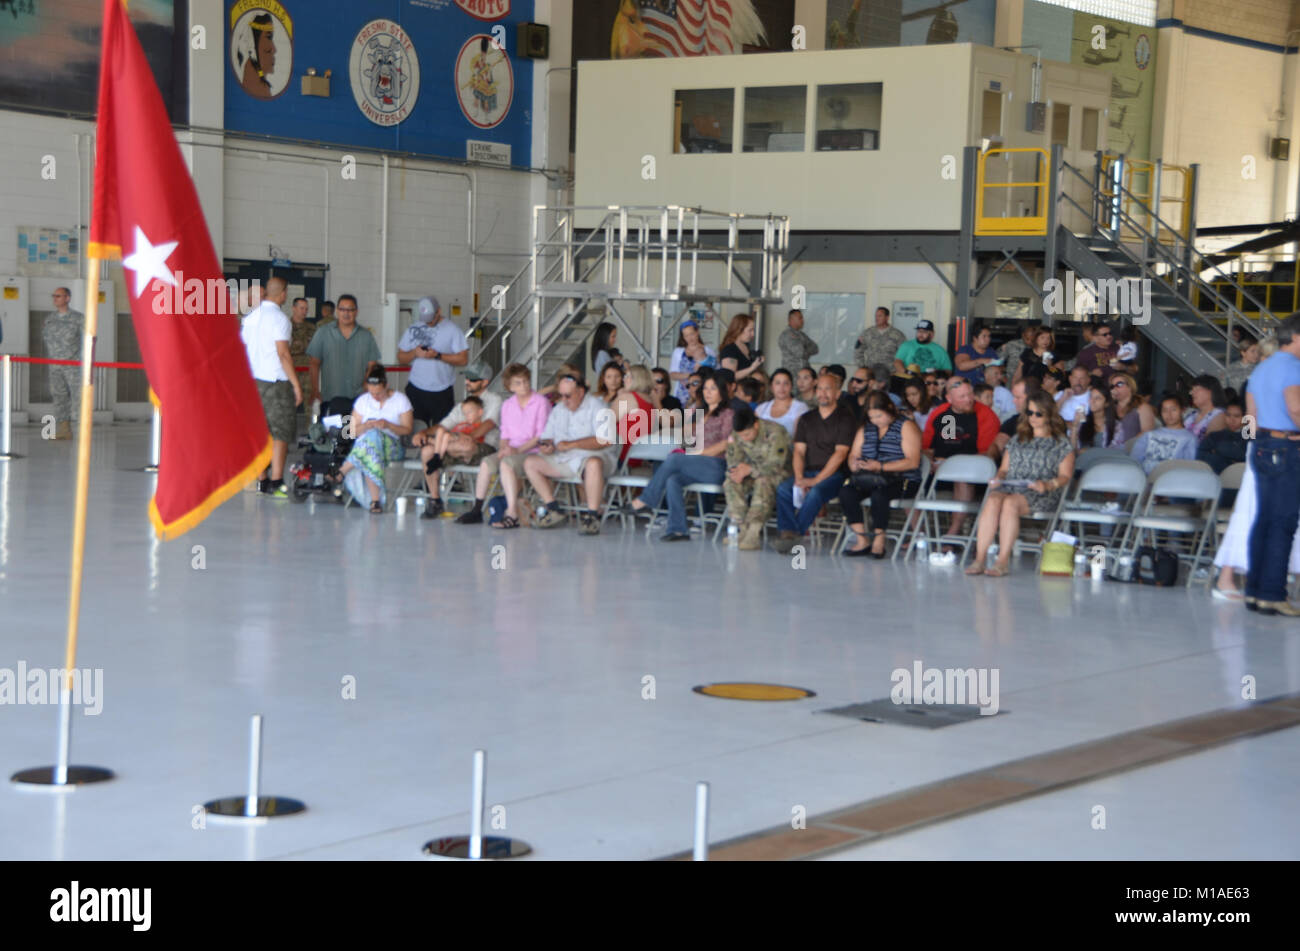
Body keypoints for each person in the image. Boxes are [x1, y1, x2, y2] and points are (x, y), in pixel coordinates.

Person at [966, 391, 1075, 576]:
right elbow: (1004, 469)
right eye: (1030, 413)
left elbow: (1065, 476)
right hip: (1012, 485)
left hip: (1041, 490)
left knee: (1010, 504)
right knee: (993, 500)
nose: (1033, 417)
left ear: (1049, 415)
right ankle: (980, 558)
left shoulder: (1061, 444)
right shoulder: (1018, 439)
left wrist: (1047, 485)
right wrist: (998, 478)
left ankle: (1002, 560)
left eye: (1038, 414)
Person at [625, 376, 734, 541]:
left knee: (675, 459)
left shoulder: (728, 414)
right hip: (699, 465)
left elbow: (726, 444)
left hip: (717, 466)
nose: (708, 392)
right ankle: (678, 529)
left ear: (722, 392)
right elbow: (688, 434)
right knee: (673, 480)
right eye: (706, 388)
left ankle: (646, 500)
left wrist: (696, 453)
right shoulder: (703, 414)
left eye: (713, 388)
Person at [1242, 314, 1300, 614]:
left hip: (1261, 445)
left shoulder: (1261, 368)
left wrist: (1253, 445)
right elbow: (1296, 408)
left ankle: (1254, 590)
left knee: (1264, 519)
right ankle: (1273, 594)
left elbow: (1249, 415)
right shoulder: (1294, 368)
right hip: (1288, 445)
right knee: (1283, 520)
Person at [522, 375, 618, 535]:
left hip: (597, 457)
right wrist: (547, 445)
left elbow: (605, 440)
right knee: (530, 462)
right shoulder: (559, 409)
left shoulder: (599, 407)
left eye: (568, 395)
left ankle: (592, 516)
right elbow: (547, 436)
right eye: (561, 395)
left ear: (580, 392)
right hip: (565, 458)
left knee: (593, 463)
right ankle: (553, 508)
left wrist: (572, 444)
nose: (564, 400)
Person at [772, 373, 857, 553]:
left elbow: (840, 454)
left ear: (837, 393)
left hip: (834, 475)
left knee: (815, 493)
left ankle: (794, 535)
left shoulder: (845, 418)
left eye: (828, 389)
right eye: (819, 389)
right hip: (807, 472)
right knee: (784, 489)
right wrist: (800, 477)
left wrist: (815, 480)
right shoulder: (807, 418)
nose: (823, 393)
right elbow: (799, 451)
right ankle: (787, 533)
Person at [457, 363, 551, 526]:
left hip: (532, 451)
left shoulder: (541, 402)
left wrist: (515, 450)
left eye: (526, 381)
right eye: (519, 383)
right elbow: (505, 433)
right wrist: (502, 449)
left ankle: (512, 512)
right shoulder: (508, 405)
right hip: (512, 449)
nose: (525, 386)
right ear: (510, 386)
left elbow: (540, 436)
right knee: (487, 462)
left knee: (507, 463)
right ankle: (477, 509)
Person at [413, 361, 502, 518]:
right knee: (426, 450)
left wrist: (465, 438)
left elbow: (488, 425)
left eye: (472, 379)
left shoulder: (495, 400)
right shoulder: (463, 405)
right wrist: (424, 433)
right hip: (456, 447)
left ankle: (438, 452)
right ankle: (435, 501)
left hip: (483, 447)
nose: (467, 381)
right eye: (467, 378)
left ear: (485, 382)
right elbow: (443, 426)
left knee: (465, 445)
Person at [840, 392, 923, 558]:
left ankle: (879, 540)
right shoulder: (866, 428)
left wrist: (882, 466)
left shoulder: (906, 426)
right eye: (872, 417)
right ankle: (862, 539)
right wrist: (854, 464)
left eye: (879, 415)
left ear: (890, 409)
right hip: (871, 477)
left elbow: (913, 461)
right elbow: (853, 454)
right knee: (846, 492)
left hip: (902, 479)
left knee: (880, 495)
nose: (876, 420)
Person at [240, 276, 302, 496]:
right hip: (275, 382)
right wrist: (296, 385)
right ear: (283, 293)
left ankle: (262, 478)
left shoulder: (250, 318)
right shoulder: (280, 319)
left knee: (259, 432)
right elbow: (283, 354)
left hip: (251, 382)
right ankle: (276, 481)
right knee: (280, 433)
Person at [923, 377, 1000, 538]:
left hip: (974, 475)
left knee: (962, 477)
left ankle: (953, 534)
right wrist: (930, 461)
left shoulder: (985, 415)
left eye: (970, 394)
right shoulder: (941, 413)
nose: (969, 400)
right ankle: (919, 535)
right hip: (938, 472)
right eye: (962, 397)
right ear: (949, 399)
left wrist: (952, 466)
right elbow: (926, 448)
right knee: (911, 479)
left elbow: (987, 455)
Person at [334, 366, 414, 512]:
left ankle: (344, 470)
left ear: (386, 386)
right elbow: (351, 431)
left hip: (393, 446)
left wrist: (388, 425)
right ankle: (375, 502)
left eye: (378, 393)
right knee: (372, 443)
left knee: (373, 438)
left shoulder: (400, 400)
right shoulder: (363, 401)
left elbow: (407, 429)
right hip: (368, 447)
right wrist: (365, 426)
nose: (375, 396)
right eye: (371, 393)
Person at [724, 405, 792, 550]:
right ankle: (742, 528)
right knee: (731, 482)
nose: (744, 439)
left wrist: (750, 469)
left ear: (756, 425)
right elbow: (732, 459)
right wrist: (736, 471)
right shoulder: (738, 432)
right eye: (741, 435)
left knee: (763, 481)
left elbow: (776, 465)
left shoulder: (775, 432)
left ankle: (754, 532)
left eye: (747, 435)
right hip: (751, 471)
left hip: (780, 473)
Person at [397, 295, 469, 428]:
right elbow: (401, 357)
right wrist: (414, 353)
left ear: (439, 311)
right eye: (426, 320)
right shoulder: (413, 329)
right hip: (416, 389)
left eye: (431, 319)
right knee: (416, 433)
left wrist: (438, 356)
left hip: (442, 391)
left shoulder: (453, 330)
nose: (428, 323)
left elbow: (463, 359)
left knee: (441, 433)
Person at [306, 294, 381, 408]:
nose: (346, 313)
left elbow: (372, 365)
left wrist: (367, 386)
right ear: (337, 311)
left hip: (359, 399)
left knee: (354, 426)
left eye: (350, 310)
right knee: (333, 426)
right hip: (331, 398)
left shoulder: (366, 335)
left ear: (356, 311)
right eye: (342, 309)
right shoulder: (323, 332)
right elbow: (314, 363)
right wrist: (315, 390)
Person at [43, 287, 83, 440]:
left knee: (78, 397)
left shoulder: (78, 318)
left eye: (58, 296)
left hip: (73, 365)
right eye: (54, 296)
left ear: (67, 298)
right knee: (59, 396)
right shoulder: (50, 318)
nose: (55, 299)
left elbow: (88, 340)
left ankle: (81, 429)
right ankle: (64, 429)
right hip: (54, 365)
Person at [1129, 393, 1198, 474]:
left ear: (1182, 410)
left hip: (1170, 482)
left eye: (1173, 409)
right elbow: (1134, 461)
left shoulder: (1190, 438)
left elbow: (1188, 468)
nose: (1169, 414)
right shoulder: (1149, 435)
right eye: (1164, 410)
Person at [988, 378, 1041, 462]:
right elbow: (998, 444)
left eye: (1018, 397)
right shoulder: (1013, 421)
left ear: (1032, 398)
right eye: (1014, 397)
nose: (1013, 401)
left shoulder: (1052, 422)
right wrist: (991, 456)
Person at [891, 319, 951, 388]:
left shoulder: (940, 350)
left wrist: (937, 374)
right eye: (919, 331)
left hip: (931, 385)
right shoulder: (906, 345)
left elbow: (948, 371)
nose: (920, 334)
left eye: (924, 332)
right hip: (909, 381)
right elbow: (897, 362)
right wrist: (908, 373)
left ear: (932, 334)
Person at [669, 320, 717, 404]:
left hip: (701, 393)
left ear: (697, 332)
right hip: (681, 394)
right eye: (686, 336)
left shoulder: (708, 351)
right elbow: (672, 374)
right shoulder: (678, 352)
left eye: (692, 334)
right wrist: (690, 375)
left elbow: (715, 373)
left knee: (697, 415)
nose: (690, 338)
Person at [1197, 400, 1247, 474]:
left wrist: (1217, 454)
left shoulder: (1252, 438)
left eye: (1236, 416)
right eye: (1228, 415)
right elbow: (1200, 456)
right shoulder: (1214, 436)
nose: (1231, 420)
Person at [755, 368, 809, 437]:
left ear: (791, 386)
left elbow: (800, 439)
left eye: (786, 383)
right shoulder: (761, 409)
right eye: (777, 383)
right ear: (771, 387)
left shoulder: (800, 408)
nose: (781, 387)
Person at [853, 306, 905, 373]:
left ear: (887, 317)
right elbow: (858, 351)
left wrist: (898, 370)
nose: (877, 318)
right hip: (871, 372)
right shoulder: (867, 333)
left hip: (890, 373)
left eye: (880, 316)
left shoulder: (897, 335)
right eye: (876, 316)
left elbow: (903, 354)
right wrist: (863, 367)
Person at [1108, 372, 1156, 443]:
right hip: (1108, 450)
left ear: (1130, 386)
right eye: (1112, 386)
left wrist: (1127, 445)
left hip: (1130, 450)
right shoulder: (1110, 407)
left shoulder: (1143, 407)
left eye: (1119, 384)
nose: (1115, 388)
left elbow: (1147, 433)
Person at [1072, 382, 1121, 450]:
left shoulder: (1117, 426)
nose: (1092, 401)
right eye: (1091, 397)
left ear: (1106, 403)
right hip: (1082, 459)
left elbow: (1115, 452)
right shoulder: (1082, 422)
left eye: (1097, 398)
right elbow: (1072, 450)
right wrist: (1075, 426)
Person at [288, 297, 315, 410]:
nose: (304, 311)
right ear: (294, 308)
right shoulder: (286, 326)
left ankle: (311, 428)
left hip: (308, 372)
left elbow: (315, 349)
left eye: (306, 309)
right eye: (301, 308)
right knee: (289, 404)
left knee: (310, 405)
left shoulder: (312, 328)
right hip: (291, 371)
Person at [719, 313, 764, 381]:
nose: (753, 334)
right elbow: (729, 377)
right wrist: (752, 367)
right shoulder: (729, 350)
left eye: (753, 330)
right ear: (739, 329)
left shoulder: (746, 346)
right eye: (750, 330)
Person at [1184, 374, 1227, 442]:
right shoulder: (1192, 414)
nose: (1192, 393)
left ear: (1210, 391)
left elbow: (1210, 445)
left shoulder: (1220, 415)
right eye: (1192, 389)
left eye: (1197, 389)